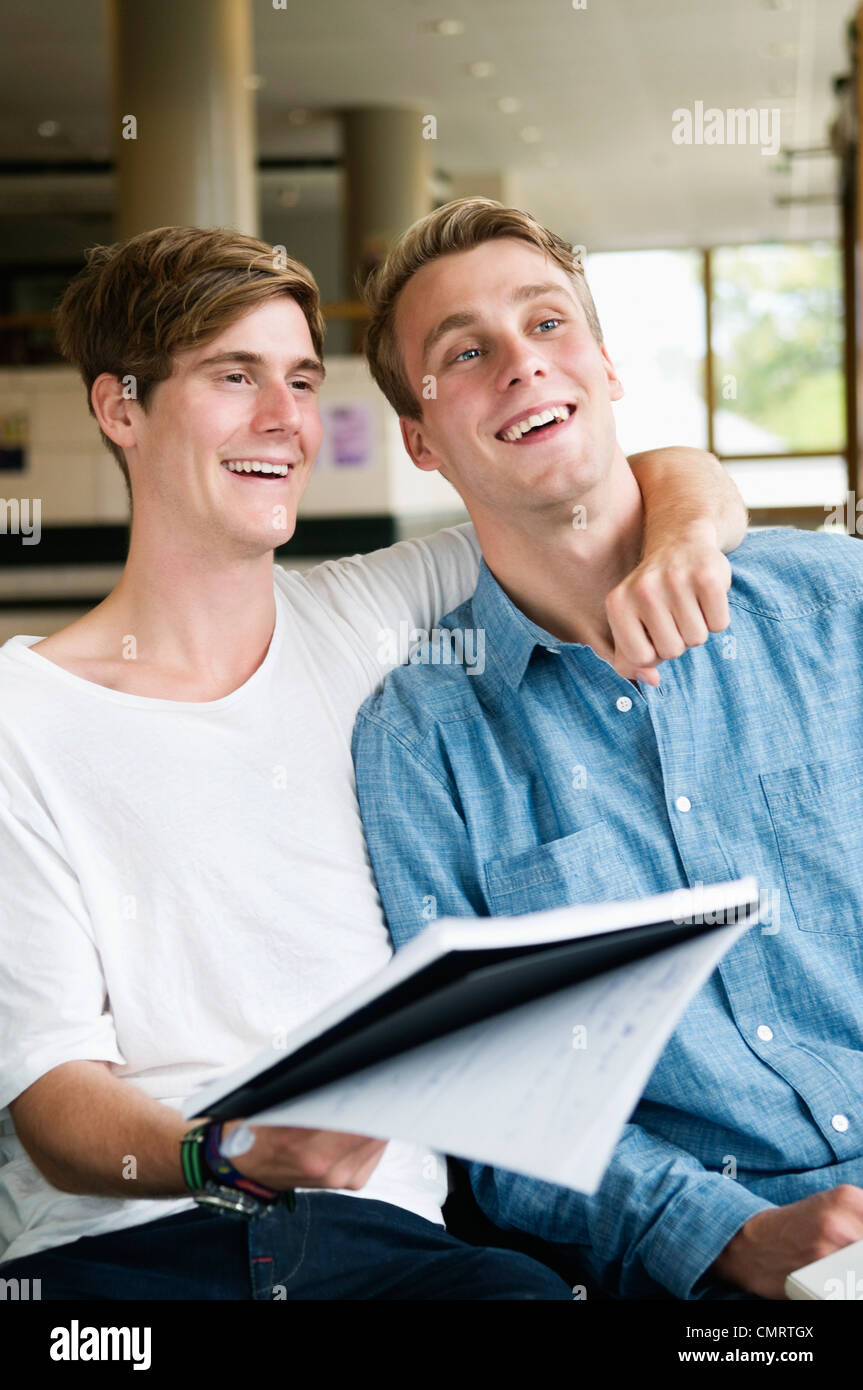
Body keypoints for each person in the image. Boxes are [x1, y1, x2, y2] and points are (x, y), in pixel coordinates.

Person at [0, 224, 744, 1301]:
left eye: (300, 379)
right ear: (121, 407)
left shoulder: (365, 613)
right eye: (232, 376)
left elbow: (633, 481)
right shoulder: (25, 713)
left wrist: (682, 542)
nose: (283, 420)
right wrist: (228, 1154)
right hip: (127, 1254)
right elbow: (56, 1103)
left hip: (390, 1251)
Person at [352, 197, 863, 1302]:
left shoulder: (833, 604)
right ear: (419, 438)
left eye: (545, 325)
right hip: (717, 1277)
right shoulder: (421, 739)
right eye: (467, 352)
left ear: (605, 365)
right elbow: (492, 1093)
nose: (523, 368)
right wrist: (726, 1235)